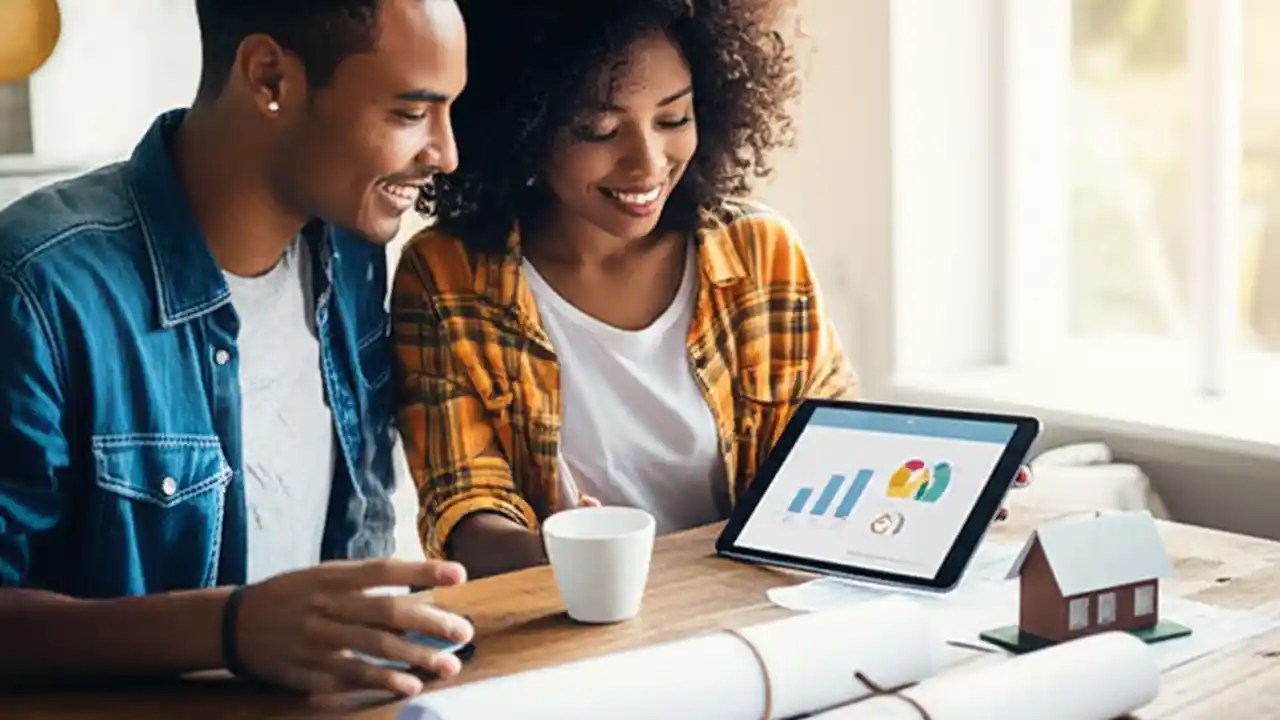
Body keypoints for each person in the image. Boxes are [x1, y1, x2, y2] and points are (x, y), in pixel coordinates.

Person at [0, 0, 472, 697]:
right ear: (270, 78)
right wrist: (230, 628)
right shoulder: (39, 287)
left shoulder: (351, 252)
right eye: (410, 114)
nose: (446, 153)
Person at [392, 0, 861, 579]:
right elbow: (462, 507)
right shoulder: (446, 276)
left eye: (673, 119)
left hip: (750, 616)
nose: (647, 163)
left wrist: (934, 495)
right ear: (525, 126)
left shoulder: (759, 253)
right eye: (600, 130)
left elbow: (835, 444)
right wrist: (563, 550)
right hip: (569, 635)